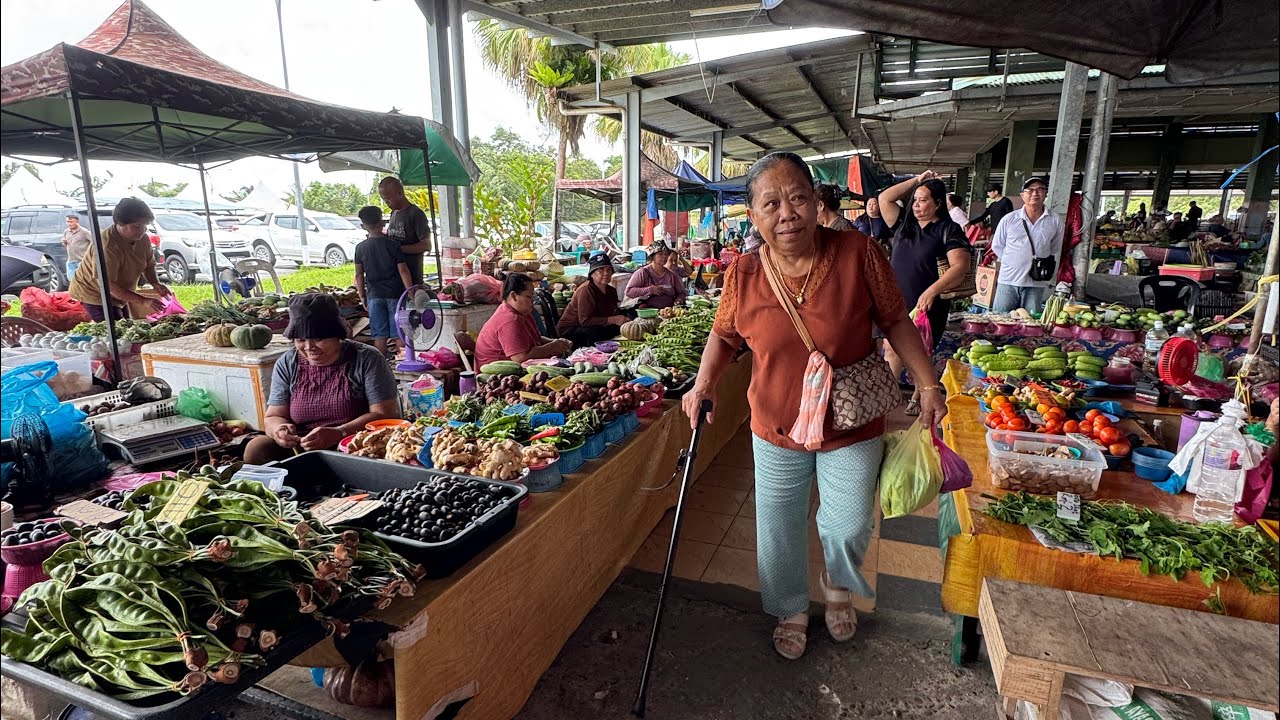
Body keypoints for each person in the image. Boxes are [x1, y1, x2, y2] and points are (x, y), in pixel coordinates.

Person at [682, 152, 946, 661]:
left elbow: (894, 320)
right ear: (754, 216)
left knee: (847, 522)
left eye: (798, 198)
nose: (787, 213)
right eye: (771, 204)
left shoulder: (858, 252)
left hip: (849, 418)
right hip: (775, 420)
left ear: (816, 201)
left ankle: (838, 583)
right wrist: (703, 383)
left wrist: (928, 384)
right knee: (778, 523)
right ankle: (790, 607)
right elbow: (723, 335)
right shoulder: (743, 273)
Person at [245, 293, 400, 464]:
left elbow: (384, 414)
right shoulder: (287, 363)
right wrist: (279, 430)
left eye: (319, 339)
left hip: (356, 443)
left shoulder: (367, 359)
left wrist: (339, 432)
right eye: (301, 339)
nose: (309, 347)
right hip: (303, 445)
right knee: (257, 448)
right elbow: (273, 416)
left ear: (336, 335)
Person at [879, 173, 972, 416]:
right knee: (891, 348)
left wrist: (932, 291)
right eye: (915, 200)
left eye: (923, 200)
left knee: (920, 351)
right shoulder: (903, 224)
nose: (917, 205)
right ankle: (889, 398)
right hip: (897, 300)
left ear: (938, 203)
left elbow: (960, 266)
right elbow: (885, 198)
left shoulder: (947, 229)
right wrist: (917, 180)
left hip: (928, 303)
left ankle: (922, 393)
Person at [67, 197, 169, 321]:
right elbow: (107, 285)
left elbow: (149, 265)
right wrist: (143, 301)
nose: (142, 231)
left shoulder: (143, 238)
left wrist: (155, 283)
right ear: (120, 223)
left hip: (120, 293)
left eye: (144, 226)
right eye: (136, 226)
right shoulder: (108, 246)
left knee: (128, 328)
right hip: (94, 292)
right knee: (117, 332)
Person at [990, 176, 1064, 314]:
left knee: (1030, 325)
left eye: (1040, 190)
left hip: (1036, 283)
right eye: (1030, 190)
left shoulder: (1055, 220)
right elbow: (997, 245)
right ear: (1022, 195)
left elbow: (1055, 247)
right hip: (1008, 280)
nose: (1035, 193)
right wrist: (1012, 262)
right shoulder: (1010, 219)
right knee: (1000, 320)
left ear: (1045, 193)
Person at [353, 206, 413, 356]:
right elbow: (403, 270)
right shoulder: (393, 245)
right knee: (398, 333)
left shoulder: (360, 248)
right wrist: (410, 292)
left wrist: (362, 296)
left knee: (379, 335)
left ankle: (381, 367)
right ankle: (403, 364)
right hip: (395, 295)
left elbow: (359, 275)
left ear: (363, 226)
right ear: (383, 223)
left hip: (374, 296)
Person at [475, 273, 572, 365]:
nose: (533, 300)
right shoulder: (509, 320)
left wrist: (557, 343)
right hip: (495, 375)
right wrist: (552, 347)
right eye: (529, 296)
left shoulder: (523, 312)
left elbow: (537, 339)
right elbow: (521, 358)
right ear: (513, 296)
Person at [556, 253, 628, 347]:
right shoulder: (586, 290)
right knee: (596, 332)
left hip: (595, 325)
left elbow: (613, 313)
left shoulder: (611, 291)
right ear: (592, 273)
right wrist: (613, 319)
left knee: (618, 327)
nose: (606, 273)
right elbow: (585, 321)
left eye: (608, 269)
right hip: (571, 330)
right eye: (601, 270)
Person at [378, 177, 432, 287]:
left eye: (388, 198)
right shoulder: (394, 213)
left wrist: (399, 249)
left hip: (411, 277)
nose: (386, 202)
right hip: (393, 277)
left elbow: (426, 245)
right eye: (384, 199)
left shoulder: (415, 214)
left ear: (400, 193)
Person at [625, 240, 687, 309]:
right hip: (647, 313)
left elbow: (682, 293)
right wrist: (650, 290)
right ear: (652, 256)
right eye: (660, 254)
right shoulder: (643, 273)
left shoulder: (672, 276)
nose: (664, 256)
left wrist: (679, 300)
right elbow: (629, 291)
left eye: (666, 254)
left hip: (667, 313)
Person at [61, 213, 92, 280]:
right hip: (71, 260)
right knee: (71, 279)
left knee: (84, 279)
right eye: (67, 222)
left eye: (71, 222)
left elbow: (93, 242)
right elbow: (66, 245)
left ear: (77, 221)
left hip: (82, 260)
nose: (69, 224)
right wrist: (64, 242)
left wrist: (89, 253)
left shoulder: (84, 231)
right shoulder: (66, 232)